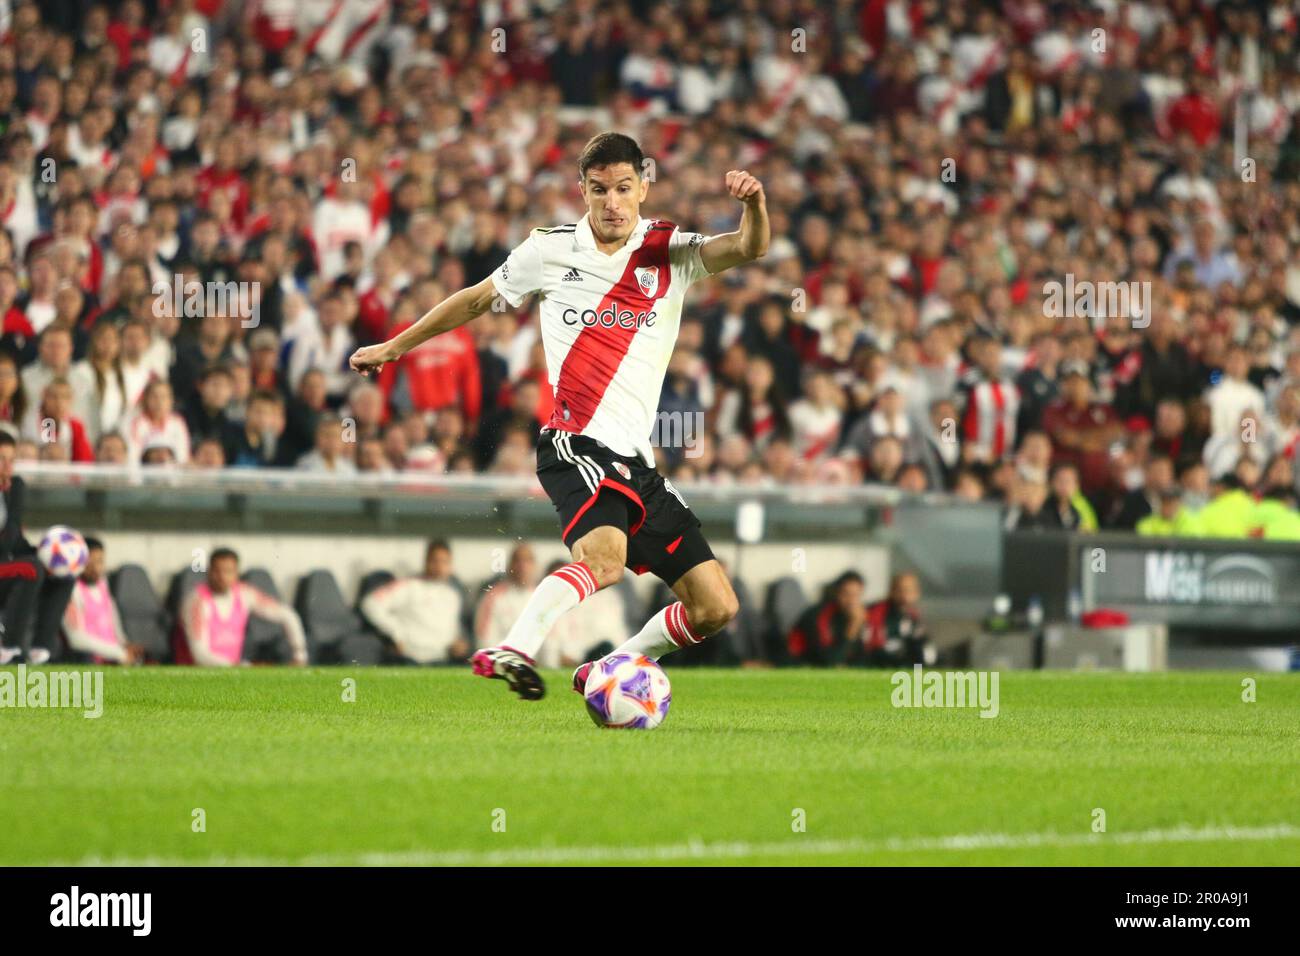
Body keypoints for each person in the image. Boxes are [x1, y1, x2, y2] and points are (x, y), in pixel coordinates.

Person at [349, 132, 767, 701]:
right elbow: (475, 299)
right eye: (600, 190)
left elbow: (748, 249)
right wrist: (396, 346)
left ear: (644, 187)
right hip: (576, 442)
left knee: (716, 606)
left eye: (624, 188)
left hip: (636, 462)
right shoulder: (549, 250)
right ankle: (513, 648)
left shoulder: (669, 250)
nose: (612, 202)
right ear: (582, 191)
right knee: (605, 560)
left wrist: (754, 206)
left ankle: (611, 668)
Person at [0, 432, 75, 664]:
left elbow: (16, 541)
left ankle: (40, 646)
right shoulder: (12, 490)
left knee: (62, 569)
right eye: (1, 459)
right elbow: (8, 536)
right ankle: (8, 645)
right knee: (31, 569)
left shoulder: (13, 488)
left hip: (7, 564)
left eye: (12, 460)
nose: (7, 466)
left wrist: (45, 553)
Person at [175, 547, 308, 666]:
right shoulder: (197, 601)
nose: (222, 577)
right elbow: (200, 655)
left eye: (228, 571)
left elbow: (288, 615)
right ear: (209, 572)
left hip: (232, 673)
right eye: (217, 571)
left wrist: (299, 655)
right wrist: (236, 667)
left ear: (237, 573)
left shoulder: (244, 594)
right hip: (196, 674)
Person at [360, 539, 469, 664]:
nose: (439, 567)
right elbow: (370, 603)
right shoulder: (408, 586)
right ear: (426, 562)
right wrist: (396, 634)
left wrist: (457, 644)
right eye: (435, 561)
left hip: (442, 660)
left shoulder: (453, 596)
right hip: (411, 658)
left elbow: (452, 631)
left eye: (445, 562)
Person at [62, 536, 142, 663]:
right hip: (91, 659)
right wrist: (118, 653)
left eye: (99, 561)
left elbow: (111, 616)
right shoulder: (72, 590)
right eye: (89, 563)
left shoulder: (102, 583)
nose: (95, 568)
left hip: (113, 656)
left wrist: (124, 644)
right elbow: (76, 639)